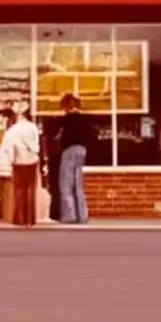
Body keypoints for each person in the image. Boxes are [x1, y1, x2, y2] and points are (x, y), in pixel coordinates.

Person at [0, 101, 40, 228]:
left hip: (18, 162)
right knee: (30, 190)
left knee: (19, 191)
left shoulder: (13, 130)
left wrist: (9, 162)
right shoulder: (32, 127)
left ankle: (20, 218)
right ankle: (30, 219)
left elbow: (7, 148)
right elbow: (36, 147)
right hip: (32, 161)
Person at [56, 93, 92, 224]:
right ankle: (82, 215)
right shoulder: (85, 119)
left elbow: (59, 136)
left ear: (66, 105)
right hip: (82, 150)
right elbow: (92, 135)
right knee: (78, 184)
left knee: (66, 184)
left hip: (69, 150)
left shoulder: (66, 120)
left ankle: (69, 215)